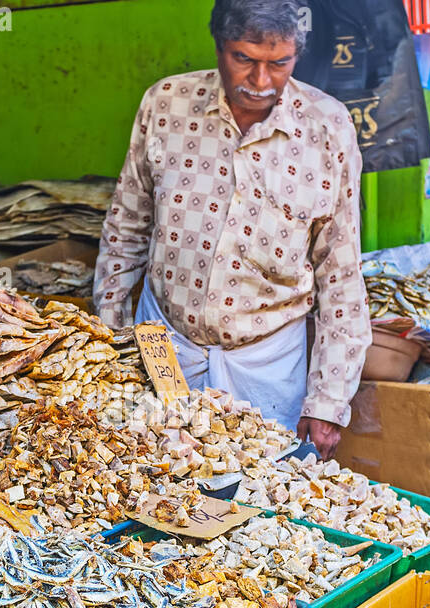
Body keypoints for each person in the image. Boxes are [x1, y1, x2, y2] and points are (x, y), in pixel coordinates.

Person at [93, 0, 371, 458]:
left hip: (268, 366)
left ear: (297, 53)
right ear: (219, 45)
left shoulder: (328, 126)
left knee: (259, 507)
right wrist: (111, 345)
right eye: (244, 59)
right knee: (154, 492)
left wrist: (328, 400)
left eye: (278, 63)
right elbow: (126, 228)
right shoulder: (166, 105)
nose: (261, 82)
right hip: (163, 348)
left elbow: (340, 276)